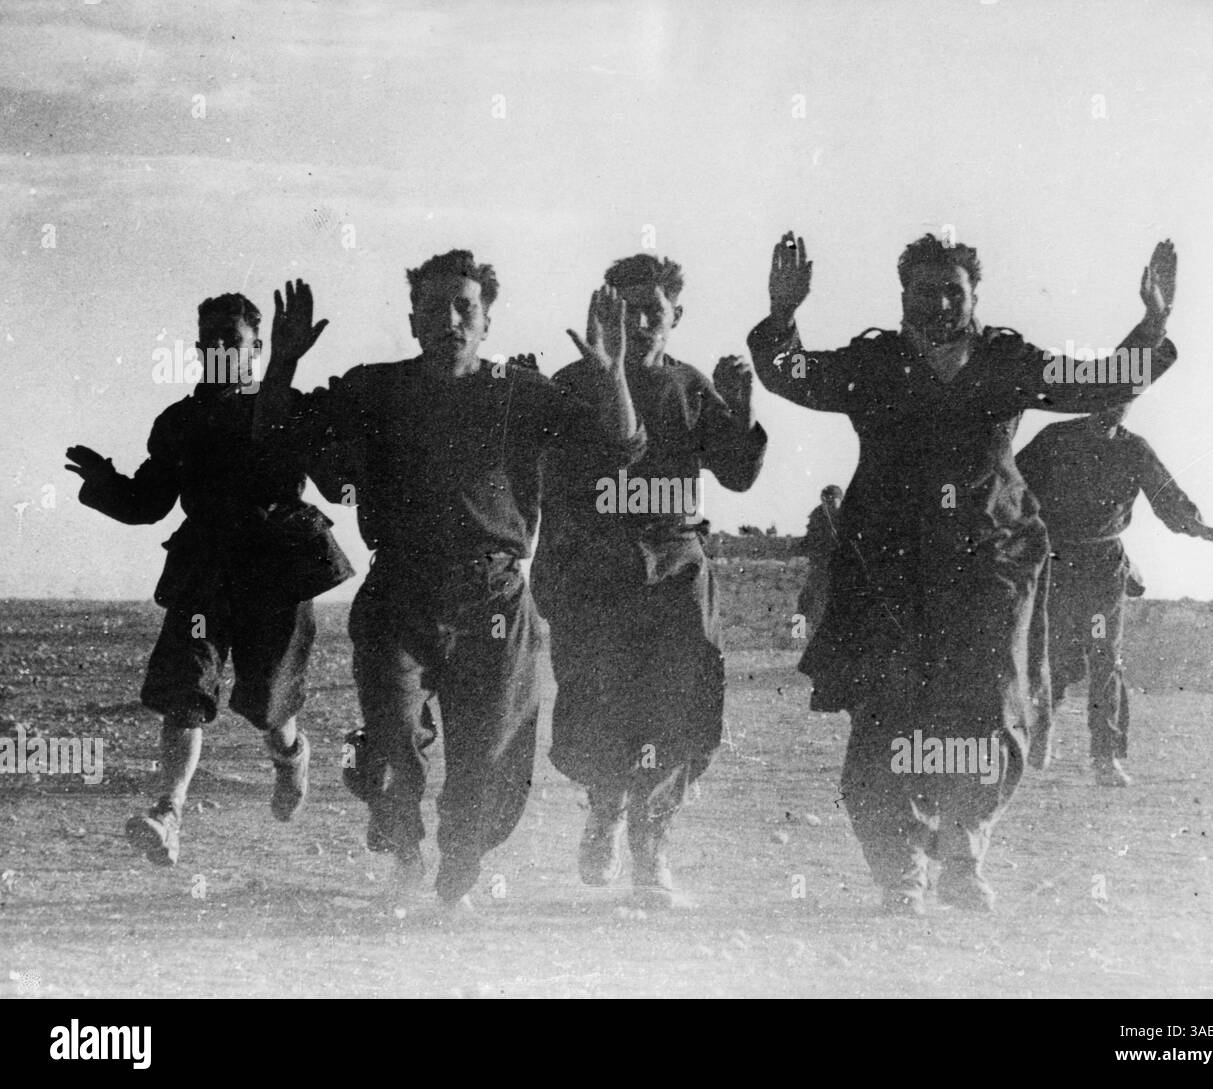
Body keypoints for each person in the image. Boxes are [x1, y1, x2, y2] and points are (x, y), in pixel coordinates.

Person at [747, 230, 1181, 913]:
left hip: (990, 562)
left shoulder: (1007, 361)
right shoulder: (875, 363)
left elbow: (1095, 381)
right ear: (904, 297)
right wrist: (782, 314)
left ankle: (963, 848)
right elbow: (790, 375)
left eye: (954, 291)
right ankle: (900, 868)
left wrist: (1152, 324)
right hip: (891, 568)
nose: (941, 303)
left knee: (989, 706)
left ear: (975, 296)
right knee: (887, 715)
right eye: (927, 291)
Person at [254, 258, 643, 911]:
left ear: (487, 320)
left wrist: (613, 372)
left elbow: (621, 448)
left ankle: (458, 871)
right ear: (413, 321)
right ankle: (404, 853)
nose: (450, 320)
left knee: (490, 760)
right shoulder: (375, 387)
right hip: (398, 592)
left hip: (494, 596)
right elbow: (275, 436)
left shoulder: (520, 393)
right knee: (391, 742)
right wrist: (282, 363)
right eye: (434, 308)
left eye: (465, 307)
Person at [65, 293, 354, 866]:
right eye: (209, 341)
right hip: (206, 569)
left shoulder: (285, 406)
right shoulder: (179, 422)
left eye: (233, 339)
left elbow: (331, 476)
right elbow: (148, 503)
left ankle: (291, 756)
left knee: (268, 702)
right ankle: (168, 813)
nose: (219, 349)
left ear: (258, 347)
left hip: (275, 570)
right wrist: (104, 481)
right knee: (185, 688)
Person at [531, 254, 766, 909]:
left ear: (675, 316)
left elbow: (738, 473)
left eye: (651, 312)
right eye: (625, 311)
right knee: (598, 705)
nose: (637, 324)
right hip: (597, 570)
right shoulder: (573, 383)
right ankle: (605, 807)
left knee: (680, 703)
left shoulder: (691, 385)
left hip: (675, 566)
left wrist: (741, 409)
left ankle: (650, 847)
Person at [1016, 405, 1213, 786]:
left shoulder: (1134, 449)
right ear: (1092, 398)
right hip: (1057, 564)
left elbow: (1166, 495)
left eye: (1123, 402)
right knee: (1056, 656)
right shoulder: (1055, 439)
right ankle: (1040, 730)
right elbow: (1013, 486)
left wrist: (1198, 525)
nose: (1114, 410)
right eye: (1108, 399)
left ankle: (1105, 757)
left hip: (1103, 571)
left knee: (1104, 656)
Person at [796, 484, 843, 631]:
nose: (828, 504)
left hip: (841, 565)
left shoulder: (847, 515)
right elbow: (810, 539)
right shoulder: (817, 515)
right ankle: (798, 633)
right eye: (826, 500)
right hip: (820, 564)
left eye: (832, 500)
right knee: (806, 599)